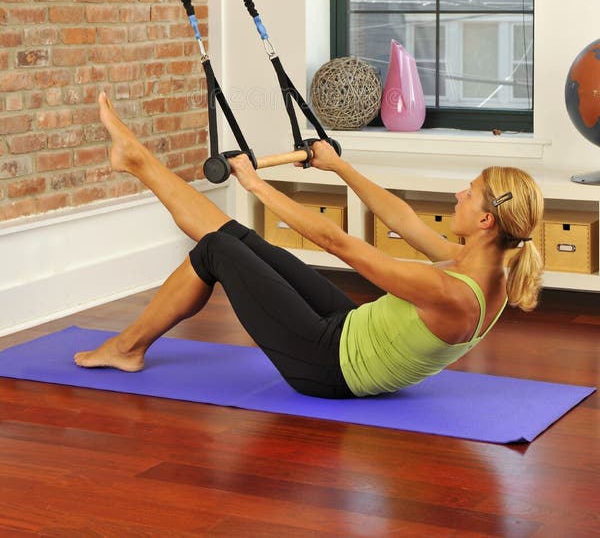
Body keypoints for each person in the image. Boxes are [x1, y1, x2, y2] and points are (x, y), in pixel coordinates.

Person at [74, 92, 544, 399]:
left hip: (326, 366)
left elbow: (338, 242)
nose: (458, 195)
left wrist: (256, 185)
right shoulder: (488, 264)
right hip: (350, 333)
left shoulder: (451, 291)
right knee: (240, 242)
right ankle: (137, 160)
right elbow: (398, 217)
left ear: (485, 219)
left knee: (217, 248)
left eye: (469, 192)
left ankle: (127, 345)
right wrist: (338, 166)